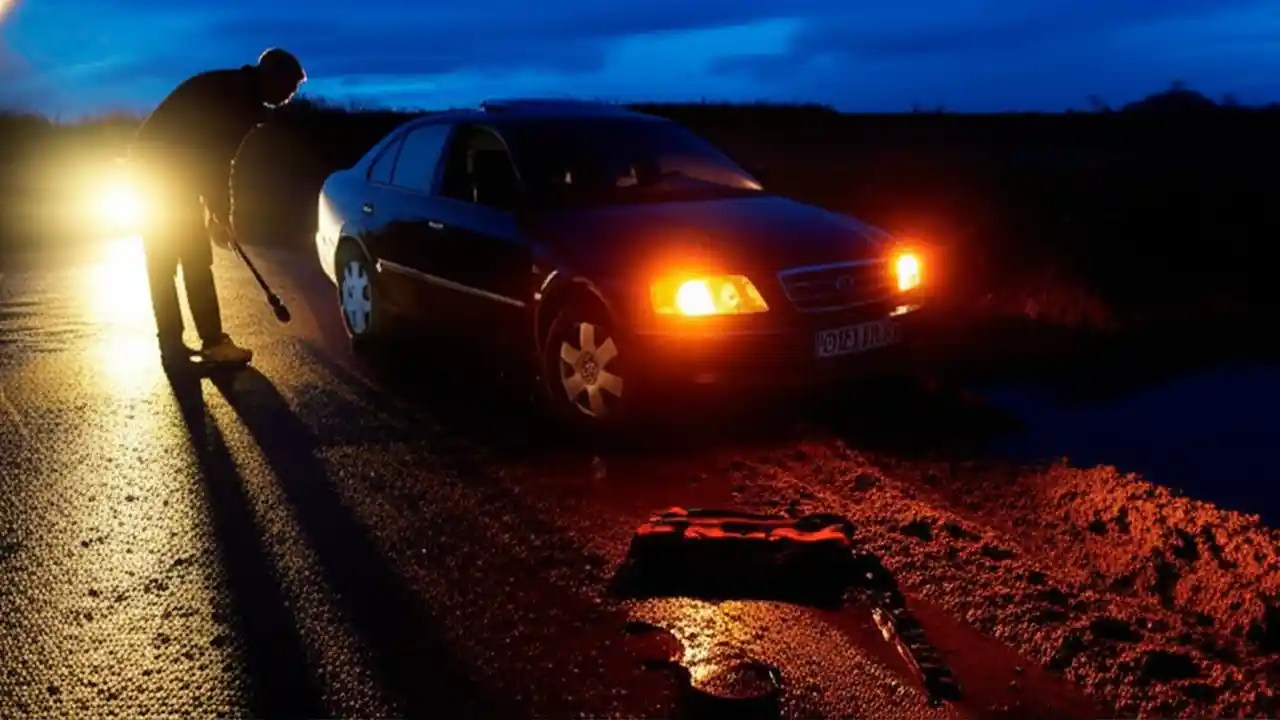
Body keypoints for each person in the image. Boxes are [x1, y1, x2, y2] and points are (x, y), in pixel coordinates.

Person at [130, 48, 306, 368]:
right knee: (187, 257)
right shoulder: (237, 98)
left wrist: (218, 211)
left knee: (169, 260)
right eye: (290, 87)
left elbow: (213, 158)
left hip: (157, 166)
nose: (290, 96)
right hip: (161, 168)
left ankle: (175, 344)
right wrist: (221, 213)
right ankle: (208, 343)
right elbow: (214, 157)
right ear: (272, 77)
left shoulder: (239, 91)